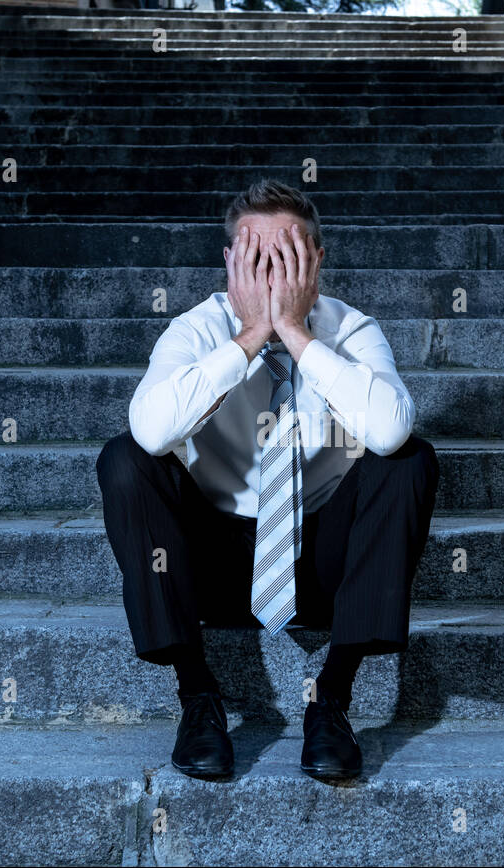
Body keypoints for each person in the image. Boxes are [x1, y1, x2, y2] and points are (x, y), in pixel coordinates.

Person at [96, 180, 439, 780]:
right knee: (125, 458)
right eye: (256, 257)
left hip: (320, 564)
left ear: (317, 262)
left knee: (409, 458)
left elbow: (388, 431)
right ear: (229, 261)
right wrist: (251, 336)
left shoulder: (351, 330)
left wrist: (299, 336)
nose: (272, 271)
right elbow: (149, 433)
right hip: (210, 565)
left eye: (288, 255)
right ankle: (198, 696)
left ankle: (331, 698)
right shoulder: (197, 330)